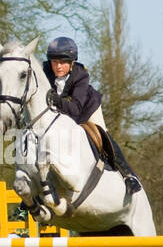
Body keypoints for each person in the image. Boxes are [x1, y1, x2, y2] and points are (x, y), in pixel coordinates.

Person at [43, 36, 142, 193]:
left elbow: (75, 109)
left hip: (87, 108)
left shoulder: (81, 75)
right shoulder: (45, 72)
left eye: (62, 62)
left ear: (71, 62)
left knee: (102, 134)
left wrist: (56, 100)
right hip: (62, 110)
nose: (58, 66)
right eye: (54, 62)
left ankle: (129, 175)